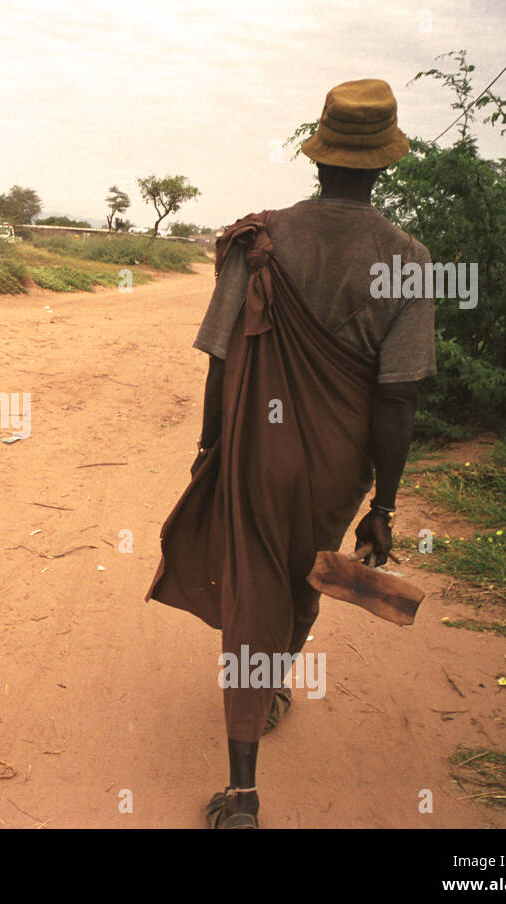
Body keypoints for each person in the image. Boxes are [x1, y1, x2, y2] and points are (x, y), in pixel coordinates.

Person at [145, 78, 437, 828]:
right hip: (342, 466)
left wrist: (210, 447)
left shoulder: (259, 239)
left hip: (254, 452)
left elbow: (218, 358)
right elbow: (397, 395)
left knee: (255, 586)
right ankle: (268, 691)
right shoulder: (407, 258)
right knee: (307, 575)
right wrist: (385, 503)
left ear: (319, 155)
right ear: (385, 164)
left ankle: (242, 793)